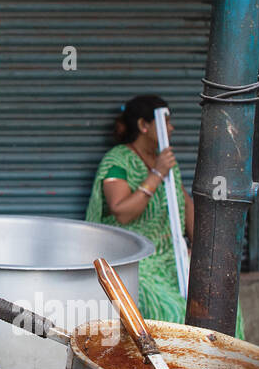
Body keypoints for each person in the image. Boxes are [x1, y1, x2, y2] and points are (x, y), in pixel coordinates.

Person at [84, 95, 243, 334]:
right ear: (144, 126)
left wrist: (202, 250)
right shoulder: (119, 160)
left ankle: (221, 364)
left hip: (170, 256)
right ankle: (171, 366)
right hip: (134, 260)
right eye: (166, 121)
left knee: (222, 300)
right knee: (172, 308)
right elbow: (122, 212)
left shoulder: (167, 161)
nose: (172, 128)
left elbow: (181, 201)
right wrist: (157, 173)